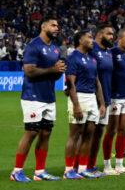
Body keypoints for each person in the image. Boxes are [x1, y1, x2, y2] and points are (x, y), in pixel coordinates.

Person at [11, 18, 65, 182]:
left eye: (57, 26)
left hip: (49, 96)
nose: (57, 28)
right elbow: (29, 72)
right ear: (43, 26)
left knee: (46, 132)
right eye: (53, 25)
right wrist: (52, 69)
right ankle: (16, 171)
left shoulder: (55, 49)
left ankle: (40, 172)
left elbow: (54, 75)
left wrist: (59, 71)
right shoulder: (33, 46)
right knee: (31, 131)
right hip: (32, 96)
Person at [63, 30, 105, 179]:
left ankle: (82, 169)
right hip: (79, 97)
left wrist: (102, 104)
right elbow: (70, 84)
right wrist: (76, 105)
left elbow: (97, 82)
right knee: (74, 135)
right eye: (89, 38)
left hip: (92, 98)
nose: (92, 40)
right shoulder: (73, 58)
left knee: (88, 135)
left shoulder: (92, 58)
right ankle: (68, 170)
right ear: (80, 41)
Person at [103, 29, 125, 174]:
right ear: (119, 39)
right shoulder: (112, 53)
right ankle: (107, 165)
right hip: (113, 97)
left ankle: (120, 165)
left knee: (123, 130)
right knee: (111, 131)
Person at [86, 25, 114, 177]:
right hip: (92, 97)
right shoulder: (92, 49)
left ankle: (90, 166)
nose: (112, 37)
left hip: (106, 98)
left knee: (98, 134)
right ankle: (78, 166)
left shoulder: (108, 52)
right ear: (99, 35)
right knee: (86, 133)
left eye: (113, 34)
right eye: (109, 34)